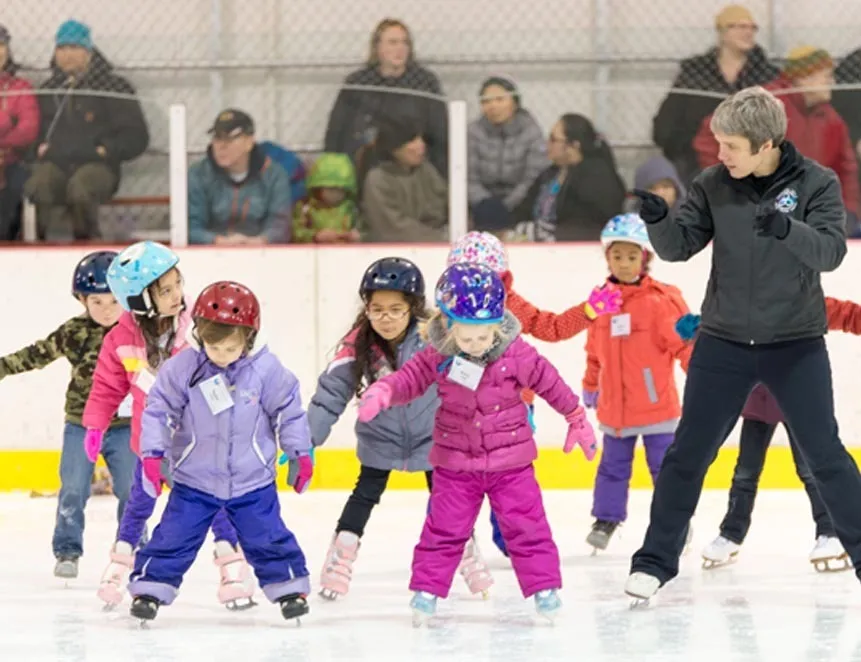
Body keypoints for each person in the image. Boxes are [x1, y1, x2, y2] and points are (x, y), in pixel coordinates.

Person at [626, 85, 861, 603]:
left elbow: (829, 254)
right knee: (688, 455)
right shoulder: (713, 183)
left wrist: (786, 229)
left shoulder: (817, 184)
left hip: (795, 342)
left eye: (730, 145)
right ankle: (654, 562)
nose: (720, 153)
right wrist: (659, 222)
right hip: (724, 342)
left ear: (766, 143)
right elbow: (680, 248)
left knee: (826, 456)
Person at [356, 263, 597, 623]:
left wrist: (576, 417)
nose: (473, 345)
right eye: (465, 338)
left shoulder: (517, 354)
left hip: (511, 463)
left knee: (528, 526)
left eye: (482, 337)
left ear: (498, 325)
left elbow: (551, 383)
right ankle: (426, 591)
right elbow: (411, 378)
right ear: (449, 326)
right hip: (455, 463)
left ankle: (545, 588)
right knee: (443, 529)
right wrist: (384, 390)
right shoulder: (439, 354)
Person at [126, 281, 313, 622]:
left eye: (230, 348)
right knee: (173, 536)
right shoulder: (184, 369)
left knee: (267, 535)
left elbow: (290, 411)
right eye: (213, 347)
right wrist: (153, 455)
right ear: (198, 334)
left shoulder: (266, 370)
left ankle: (289, 588)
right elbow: (158, 411)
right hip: (194, 480)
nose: (221, 355)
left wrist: (300, 453)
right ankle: (151, 588)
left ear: (249, 338)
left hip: (252, 480)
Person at [309, 257, 494, 599]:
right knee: (364, 495)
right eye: (377, 310)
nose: (386, 318)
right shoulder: (358, 344)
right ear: (366, 308)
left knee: (449, 502)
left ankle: (467, 556)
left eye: (396, 309)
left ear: (413, 307)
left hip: (433, 438)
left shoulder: (434, 337)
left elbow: (470, 376)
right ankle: (339, 561)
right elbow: (331, 393)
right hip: (380, 438)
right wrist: (305, 441)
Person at [82, 241, 252, 610]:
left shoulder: (198, 327)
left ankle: (231, 566)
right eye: (166, 290)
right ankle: (120, 563)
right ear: (140, 300)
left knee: (216, 505)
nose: (178, 295)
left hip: (201, 442)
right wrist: (95, 425)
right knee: (139, 505)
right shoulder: (120, 340)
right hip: (151, 444)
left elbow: (231, 371)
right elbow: (107, 387)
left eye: (178, 284)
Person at [445, 231, 620, 556]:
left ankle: (511, 536)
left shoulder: (511, 305)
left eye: (487, 277)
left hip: (511, 408)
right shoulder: (449, 310)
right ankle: (451, 539)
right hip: (462, 410)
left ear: (502, 278)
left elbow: (549, 327)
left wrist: (588, 312)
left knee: (508, 475)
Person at [674, 304, 861, 572]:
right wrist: (699, 330)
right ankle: (731, 534)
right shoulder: (739, 306)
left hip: (796, 405)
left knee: (812, 470)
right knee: (745, 473)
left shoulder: (800, 301)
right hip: (755, 409)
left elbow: (843, 314)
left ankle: (830, 532)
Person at [0, 251, 135, 579]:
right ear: (81, 300)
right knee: (73, 488)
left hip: (125, 426)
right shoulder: (73, 331)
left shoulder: (137, 332)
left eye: (112, 302)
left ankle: (132, 545)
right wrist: (3, 367)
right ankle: (67, 550)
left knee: (132, 489)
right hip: (81, 423)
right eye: (96, 302)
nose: (105, 310)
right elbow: (38, 353)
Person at [582, 214, 692, 551]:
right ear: (607, 258)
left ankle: (675, 522)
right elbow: (594, 351)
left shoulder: (658, 302)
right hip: (615, 408)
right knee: (612, 469)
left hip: (656, 405)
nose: (624, 264)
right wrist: (591, 385)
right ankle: (606, 519)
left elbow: (684, 345)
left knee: (664, 469)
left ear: (645, 259)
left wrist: (704, 379)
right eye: (617, 256)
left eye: (632, 257)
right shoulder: (600, 302)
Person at [25, 19, 149, 240]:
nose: (67, 54)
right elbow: (33, 132)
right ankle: (40, 245)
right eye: (61, 48)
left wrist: (106, 150)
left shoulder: (113, 87)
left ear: (89, 51)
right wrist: (37, 149)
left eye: (74, 47)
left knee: (81, 188)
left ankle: (85, 242)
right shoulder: (49, 90)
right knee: (39, 184)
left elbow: (137, 136)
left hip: (98, 164)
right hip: (57, 163)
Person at [652, 4, 778, 185]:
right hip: (698, 163)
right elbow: (665, 125)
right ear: (723, 32)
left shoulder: (765, 74)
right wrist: (690, 149)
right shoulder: (695, 73)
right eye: (740, 26)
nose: (748, 32)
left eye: (752, 27)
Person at [324, 18, 447, 179]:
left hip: (414, 165)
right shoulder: (358, 82)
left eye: (405, 43)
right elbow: (337, 129)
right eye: (392, 42)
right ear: (377, 47)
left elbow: (440, 132)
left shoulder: (424, 81)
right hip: (367, 162)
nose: (400, 49)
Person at [511, 113, 626, 241]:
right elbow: (523, 209)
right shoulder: (551, 173)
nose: (547, 144)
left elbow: (589, 224)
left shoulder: (597, 177)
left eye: (553, 140)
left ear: (574, 146)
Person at [188, 109, 293, 245]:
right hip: (211, 254)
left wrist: (260, 241)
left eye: (230, 138)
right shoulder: (198, 174)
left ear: (249, 142)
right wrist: (218, 241)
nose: (222, 145)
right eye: (217, 138)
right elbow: (190, 225)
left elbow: (280, 224)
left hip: (261, 254)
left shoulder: (274, 175)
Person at [467, 76, 546, 231]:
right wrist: (486, 202)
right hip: (483, 204)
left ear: (515, 102)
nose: (493, 106)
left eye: (500, 99)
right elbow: (469, 178)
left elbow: (532, 178)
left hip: (520, 203)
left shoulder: (531, 131)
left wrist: (506, 205)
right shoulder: (473, 132)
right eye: (486, 101)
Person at [361, 118, 448, 242]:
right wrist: (440, 239)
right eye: (412, 140)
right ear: (394, 147)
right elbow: (392, 227)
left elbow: (446, 202)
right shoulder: (378, 179)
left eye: (421, 139)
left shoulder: (426, 170)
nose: (421, 145)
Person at [0, 24, 39, 239]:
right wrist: (7, 122)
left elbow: (28, 130)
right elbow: (15, 125)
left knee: (15, 187)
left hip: (12, 161)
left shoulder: (19, 86)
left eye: (1, 45)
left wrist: (4, 147)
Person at [291, 152, 360, 243]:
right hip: (312, 255)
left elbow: (365, 230)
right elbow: (295, 232)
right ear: (318, 188)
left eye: (339, 189)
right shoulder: (305, 208)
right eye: (329, 189)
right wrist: (315, 236)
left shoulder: (351, 209)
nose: (334, 194)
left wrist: (355, 236)